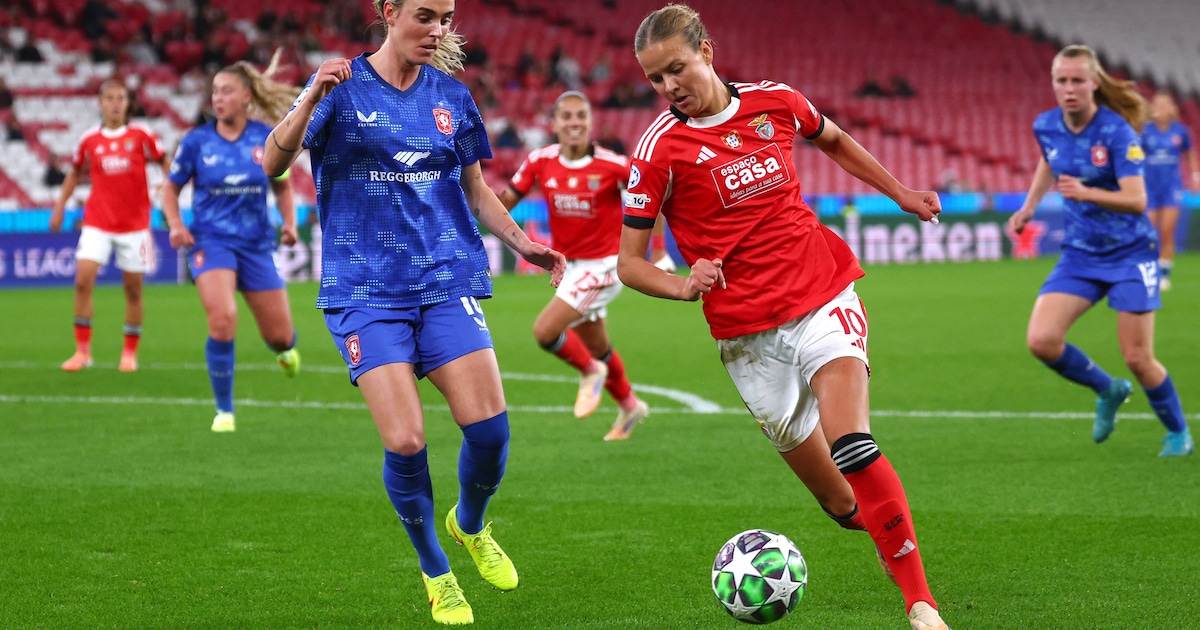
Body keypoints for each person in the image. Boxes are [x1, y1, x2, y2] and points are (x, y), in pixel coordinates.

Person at [617, 6, 949, 630]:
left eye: (676, 70)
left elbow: (835, 140)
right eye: (656, 80)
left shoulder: (776, 102)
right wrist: (683, 286)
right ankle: (883, 531)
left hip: (822, 294)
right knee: (840, 501)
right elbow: (630, 264)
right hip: (746, 337)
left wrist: (900, 192)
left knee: (853, 441)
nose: (669, 88)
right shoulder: (660, 149)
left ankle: (920, 604)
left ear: (706, 51)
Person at [260, 0, 566, 624]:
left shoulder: (452, 95)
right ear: (389, 11)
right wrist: (312, 93)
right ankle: (436, 570)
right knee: (406, 440)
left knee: (490, 432)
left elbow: (476, 189)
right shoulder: (339, 87)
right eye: (426, 16)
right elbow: (272, 161)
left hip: (445, 278)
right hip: (363, 292)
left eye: (446, 18)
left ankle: (470, 524)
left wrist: (522, 243)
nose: (438, 30)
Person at [1008, 45, 1191, 457]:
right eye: (1062, 80)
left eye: (1077, 80)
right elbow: (1048, 161)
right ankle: (1107, 390)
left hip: (1131, 254)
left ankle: (1178, 432)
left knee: (1139, 358)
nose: (1069, 89)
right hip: (1081, 254)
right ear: (1053, 83)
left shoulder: (1117, 132)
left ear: (1094, 83)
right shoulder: (1047, 125)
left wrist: (1086, 192)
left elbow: (1138, 199)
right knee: (1042, 340)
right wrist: (1029, 207)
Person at [498, 90, 669, 441]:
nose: (574, 123)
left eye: (580, 117)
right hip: (570, 269)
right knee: (598, 346)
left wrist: (659, 251)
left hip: (605, 266)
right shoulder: (539, 161)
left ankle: (592, 373)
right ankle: (630, 405)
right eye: (567, 117)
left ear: (591, 124)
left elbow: (655, 196)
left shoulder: (612, 164)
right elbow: (503, 205)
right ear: (555, 123)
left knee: (546, 331)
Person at [160, 54, 302, 433]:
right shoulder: (195, 142)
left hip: (257, 245)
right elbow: (169, 191)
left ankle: (286, 349)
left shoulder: (264, 138)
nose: (217, 98)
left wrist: (288, 224)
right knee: (222, 321)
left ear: (246, 98)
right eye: (214, 92)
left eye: (226, 91)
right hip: (211, 242)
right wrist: (175, 224)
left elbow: (283, 187)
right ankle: (224, 411)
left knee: (279, 336)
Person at [49, 79, 169, 373]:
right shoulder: (89, 139)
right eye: (110, 98)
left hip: (135, 225)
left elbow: (167, 164)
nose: (116, 103)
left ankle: (129, 353)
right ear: (100, 103)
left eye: (121, 98)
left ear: (128, 104)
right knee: (82, 281)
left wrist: (168, 191)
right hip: (97, 222)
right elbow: (75, 173)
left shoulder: (142, 135)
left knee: (133, 290)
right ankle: (82, 351)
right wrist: (60, 206)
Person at [1140, 91, 1200, 291]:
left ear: (1172, 108)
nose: (1161, 109)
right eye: (1157, 105)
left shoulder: (1180, 131)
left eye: (1165, 105)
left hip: (1172, 187)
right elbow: (1136, 157)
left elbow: (1190, 153)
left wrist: (1195, 176)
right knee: (1150, 232)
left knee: (1167, 231)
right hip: (1150, 188)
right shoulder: (1146, 131)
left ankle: (1164, 275)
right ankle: (1149, 270)